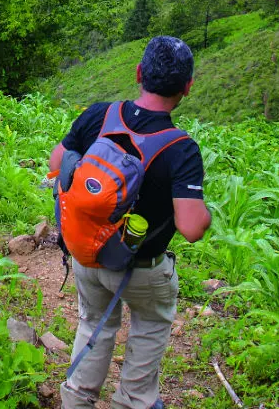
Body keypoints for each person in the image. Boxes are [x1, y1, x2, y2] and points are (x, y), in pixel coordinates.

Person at [49, 36, 212, 409]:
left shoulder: (99, 115)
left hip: (88, 255)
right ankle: (134, 401)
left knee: (94, 324)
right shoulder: (181, 148)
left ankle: (76, 399)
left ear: (139, 73)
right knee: (150, 328)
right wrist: (205, 214)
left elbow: (56, 164)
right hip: (142, 269)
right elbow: (191, 227)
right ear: (187, 88)